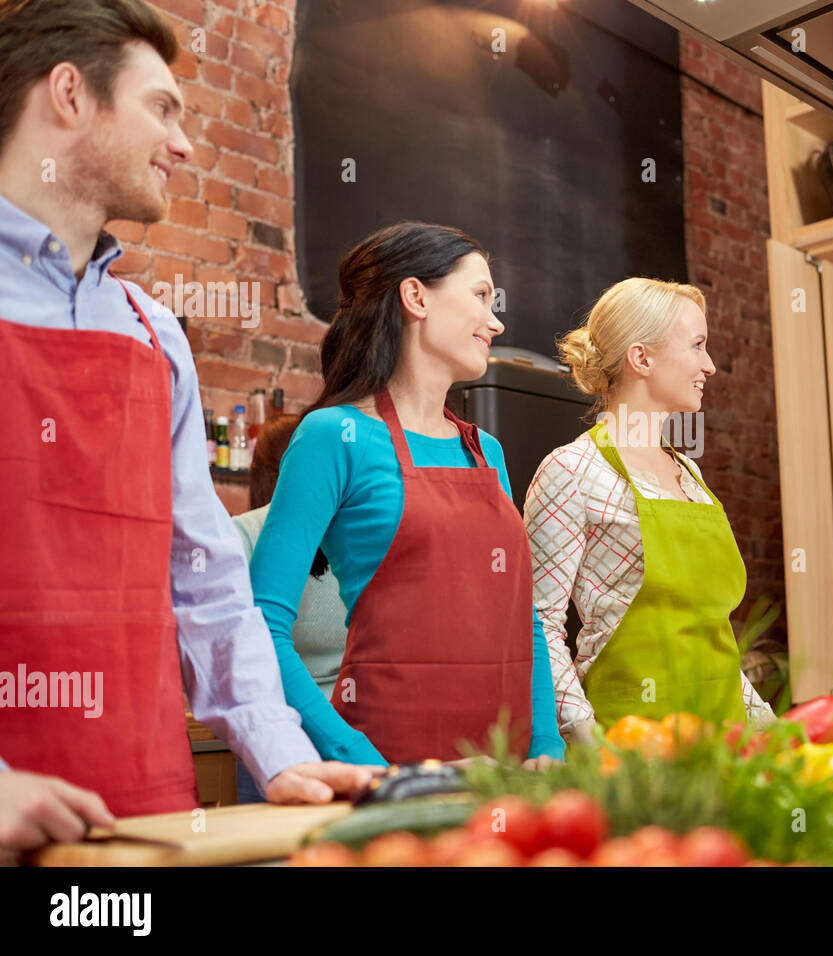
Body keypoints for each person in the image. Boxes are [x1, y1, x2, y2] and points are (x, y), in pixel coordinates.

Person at [0, 0, 371, 853]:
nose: (185, 144)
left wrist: (279, 755)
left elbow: (206, 579)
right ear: (69, 95)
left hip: (147, 801)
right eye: (162, 108)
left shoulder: (152, 332)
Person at [248, 221, 565, 767]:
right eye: (481, 295)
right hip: (392, 772)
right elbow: (258, 624)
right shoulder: (333, 437)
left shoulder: (487, 450)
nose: (496, 319)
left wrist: (546, 744)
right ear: (416, 296)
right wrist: (356, 756)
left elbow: (524, 619)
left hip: (509, 776)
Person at [525, 277, 776, 743]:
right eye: (698, 346)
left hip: (726, 746)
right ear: (642, 358)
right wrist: (589, 742)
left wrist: (767, 727)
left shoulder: (692, 476)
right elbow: (537, 625)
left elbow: (710, 639)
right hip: (631, 748)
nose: (711, 365)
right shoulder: (572, 470)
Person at [232, 414, 350, 803]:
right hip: (355, 733)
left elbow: (242, 657)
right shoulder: (358, 532)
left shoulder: (243, 532)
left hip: (278, 740)